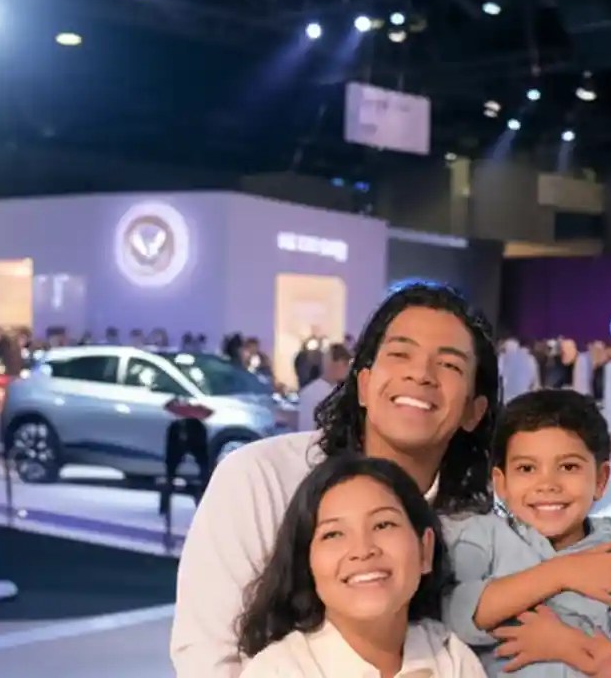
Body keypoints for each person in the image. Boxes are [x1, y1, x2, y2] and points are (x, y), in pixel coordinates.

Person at [171, 282, 505, 676]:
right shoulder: (260, 477)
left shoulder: (481, 529)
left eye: (449, 365)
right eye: (400, 354)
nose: (420, 374)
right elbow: (207, 655)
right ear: (363, 384)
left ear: (474, 410)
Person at [444, 389, 611, 677]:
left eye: (568, 467)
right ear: (501, 484)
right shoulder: (481, 538)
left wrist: (570, 646)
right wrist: (560, 573)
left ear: (601, 480)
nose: (548, 484)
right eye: (527, 468)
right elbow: (451, 614)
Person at [236, 455, 485, 677]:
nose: (363, 550)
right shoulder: (277, 670)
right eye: (333, 534)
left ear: (424, 550)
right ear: (306, 563)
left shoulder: (452, 659)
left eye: (383, 525)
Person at [296, 343, 352, 432]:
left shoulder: (345, 391)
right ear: (334, 364)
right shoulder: (310, 393)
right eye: (345, 364)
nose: (348, 369)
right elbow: (306, 430)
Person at [498, 337, 539, 405]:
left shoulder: (505, 356)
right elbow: (535, 386)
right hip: (522, 402)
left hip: (505, 400)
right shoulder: (531, 360)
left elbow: (499, 374)